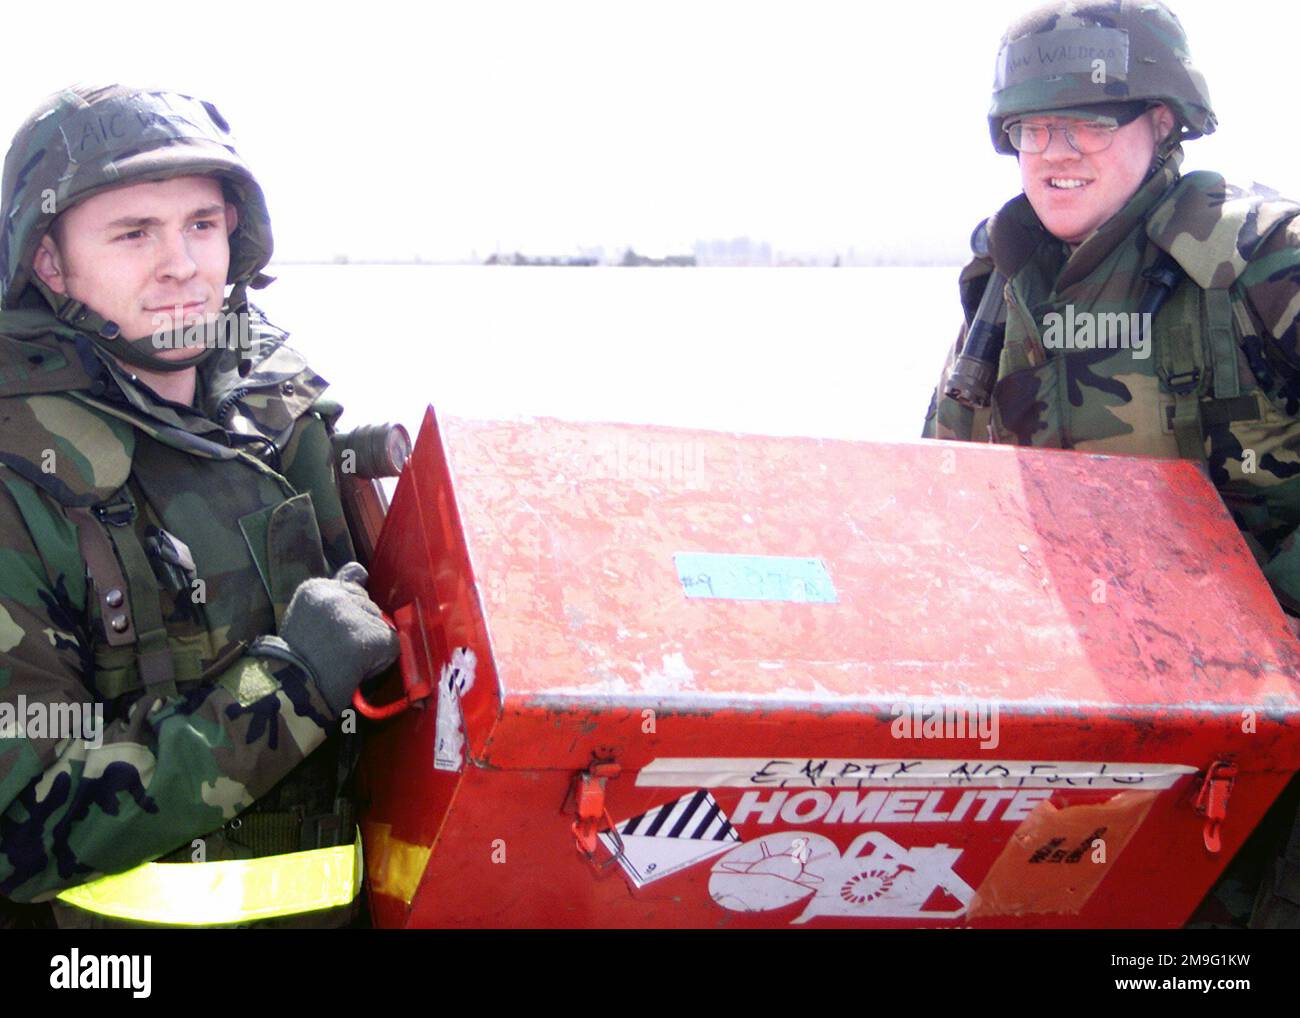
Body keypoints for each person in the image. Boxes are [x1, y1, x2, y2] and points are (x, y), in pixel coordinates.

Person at [922, 1, 1300, 927]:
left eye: (1088, 120)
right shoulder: (1007, 281)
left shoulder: (1260, 261)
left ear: (1162, 121)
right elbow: (938, 501)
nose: (1054, 150)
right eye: (1032, 127)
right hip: (1100, 727)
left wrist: (1266, 628)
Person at [0, 85, 400, 928]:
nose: (180, 262)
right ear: (49, 263)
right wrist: (287, 688)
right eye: (134, 232)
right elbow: (21, 826)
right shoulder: (20, 480)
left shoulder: (290, 428)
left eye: (202, 225)